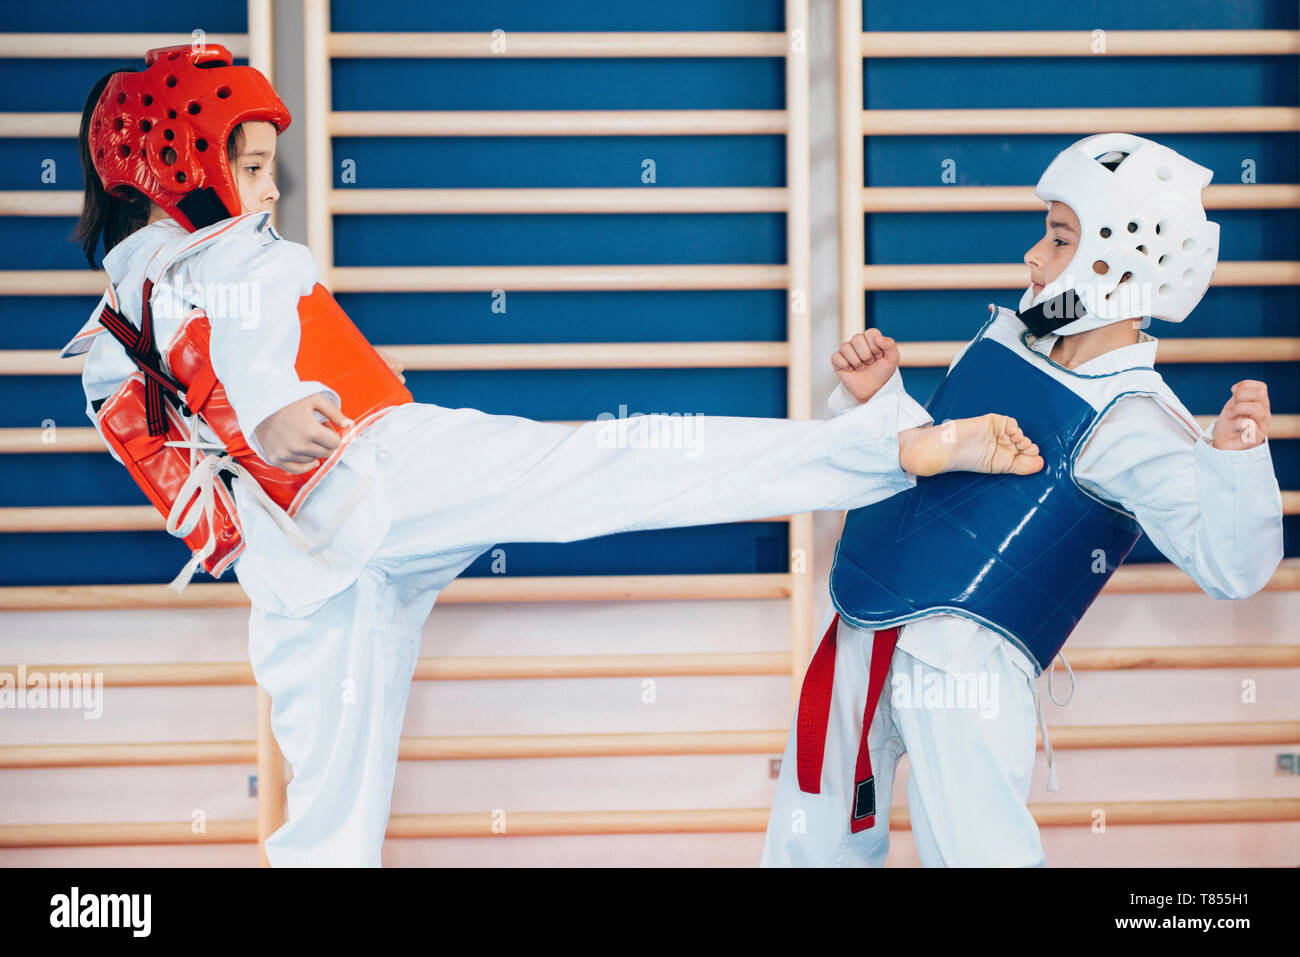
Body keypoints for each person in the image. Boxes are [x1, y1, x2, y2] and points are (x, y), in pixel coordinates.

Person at [66, 45, 1044, 866]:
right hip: (376, 487)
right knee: (619, 465)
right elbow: (247, 311)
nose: (270, 190)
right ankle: (879, 446)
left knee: (324, 832)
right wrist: (270, 416)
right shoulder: (223, 261)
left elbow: (216, 420)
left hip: (307, 576)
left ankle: (880, 446)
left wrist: (265, 434)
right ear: (177, 164)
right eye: (251, 165)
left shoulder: (113, 343)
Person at [762, 132, 1285, 868]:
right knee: (810, 840)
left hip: (965, 660)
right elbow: (935, 461)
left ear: (1121, 257)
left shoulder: (1136, 415)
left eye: (1061, 237)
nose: (1034, 259)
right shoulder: (1002, 339)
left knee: (980, 854)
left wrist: (1235, 466)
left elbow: (1233, 568)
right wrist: (881, 402)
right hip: (861, 615)